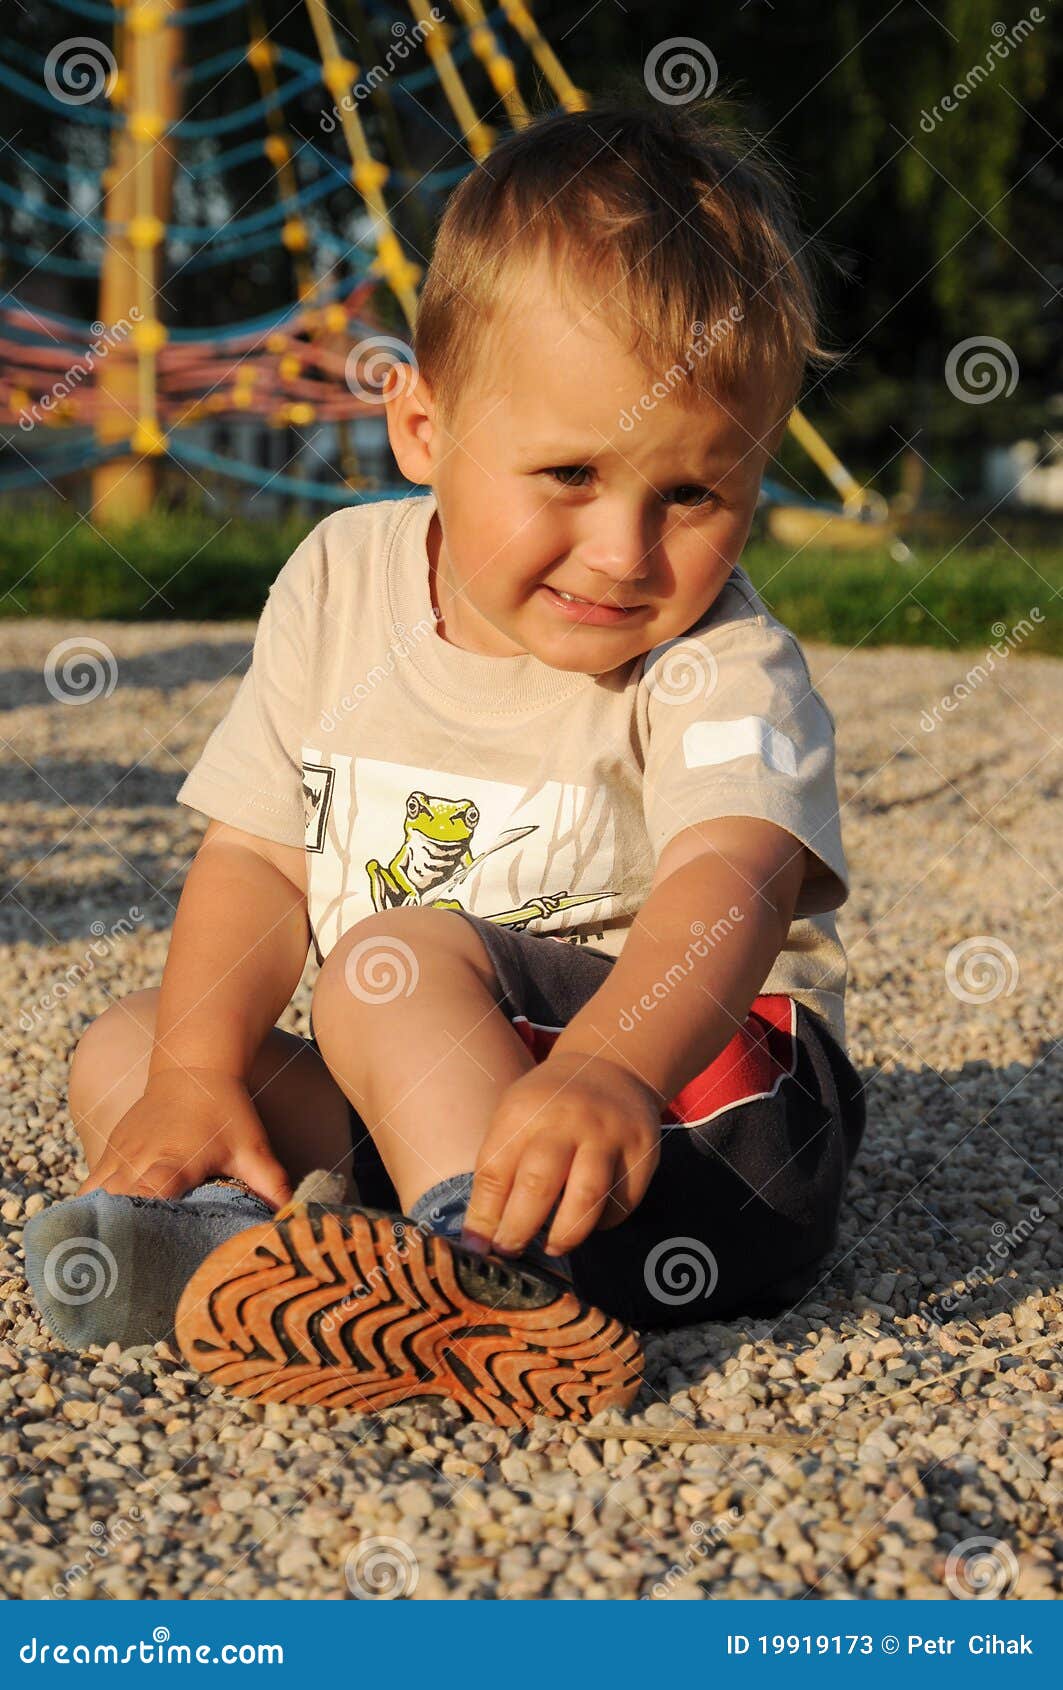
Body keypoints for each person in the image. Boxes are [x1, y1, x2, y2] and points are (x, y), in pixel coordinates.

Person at [24, 99, 865, 1428]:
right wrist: (195, 1070)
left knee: (388, 961)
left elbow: (735, 882)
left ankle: (486, 1270)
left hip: (688, 1129)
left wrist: (606, 1069)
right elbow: (255, 854)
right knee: (138, 1042)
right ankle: (241, 1238)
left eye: (694, 495)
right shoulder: (341, 581)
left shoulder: (718, 662)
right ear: (425, 431)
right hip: (423, 1102)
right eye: (571, 473)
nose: (626, 552)